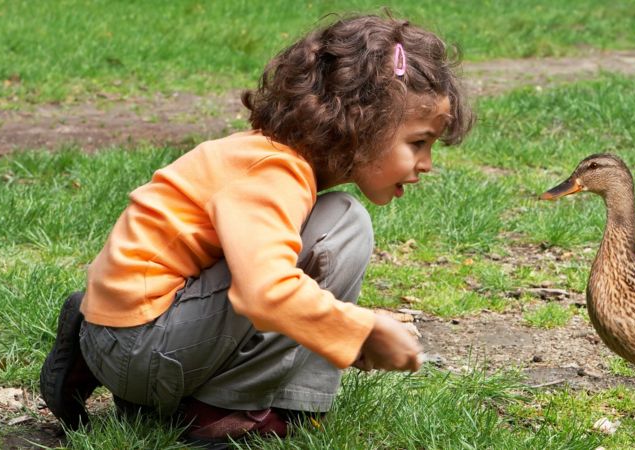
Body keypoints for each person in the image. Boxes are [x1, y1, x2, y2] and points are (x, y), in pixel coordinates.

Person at [39, 13, 474, 447]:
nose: (426, 163)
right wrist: (361, 330)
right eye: (418, 142)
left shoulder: (274, 162)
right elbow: (263, 292)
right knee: (344, 224)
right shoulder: (273, 172)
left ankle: (286, 405)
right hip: (142, 345)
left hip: (138, 336)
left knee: (325, 226)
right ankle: (221, 413)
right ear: (362, 125)